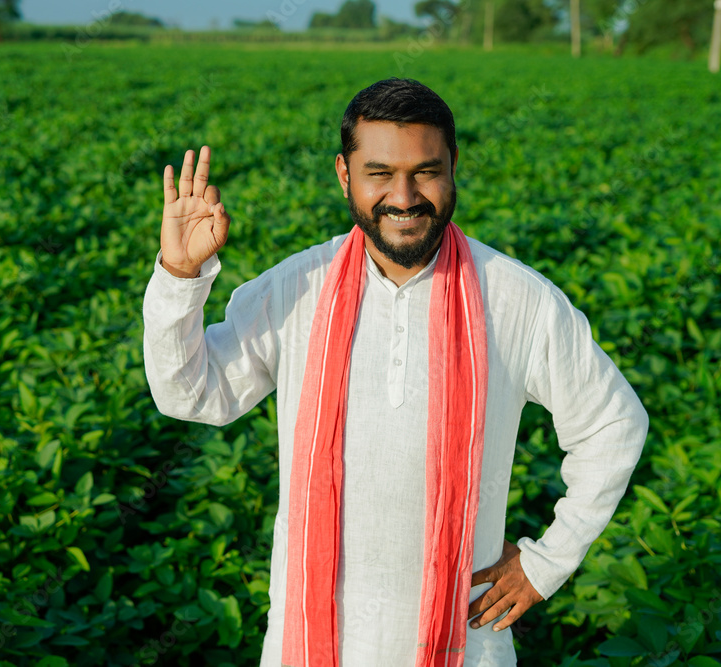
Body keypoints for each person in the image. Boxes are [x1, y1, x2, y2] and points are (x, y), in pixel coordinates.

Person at [141, 77, 648, 666]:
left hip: (466, 644)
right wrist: (180, 279)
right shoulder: (293, 289)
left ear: (454, 166)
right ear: (344, 174)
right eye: (379, 173)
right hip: (308, 643)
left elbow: (613, 425)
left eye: (425, 171)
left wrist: (546, 561)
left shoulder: (517, 299)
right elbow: (192, 396)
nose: (403, 196)